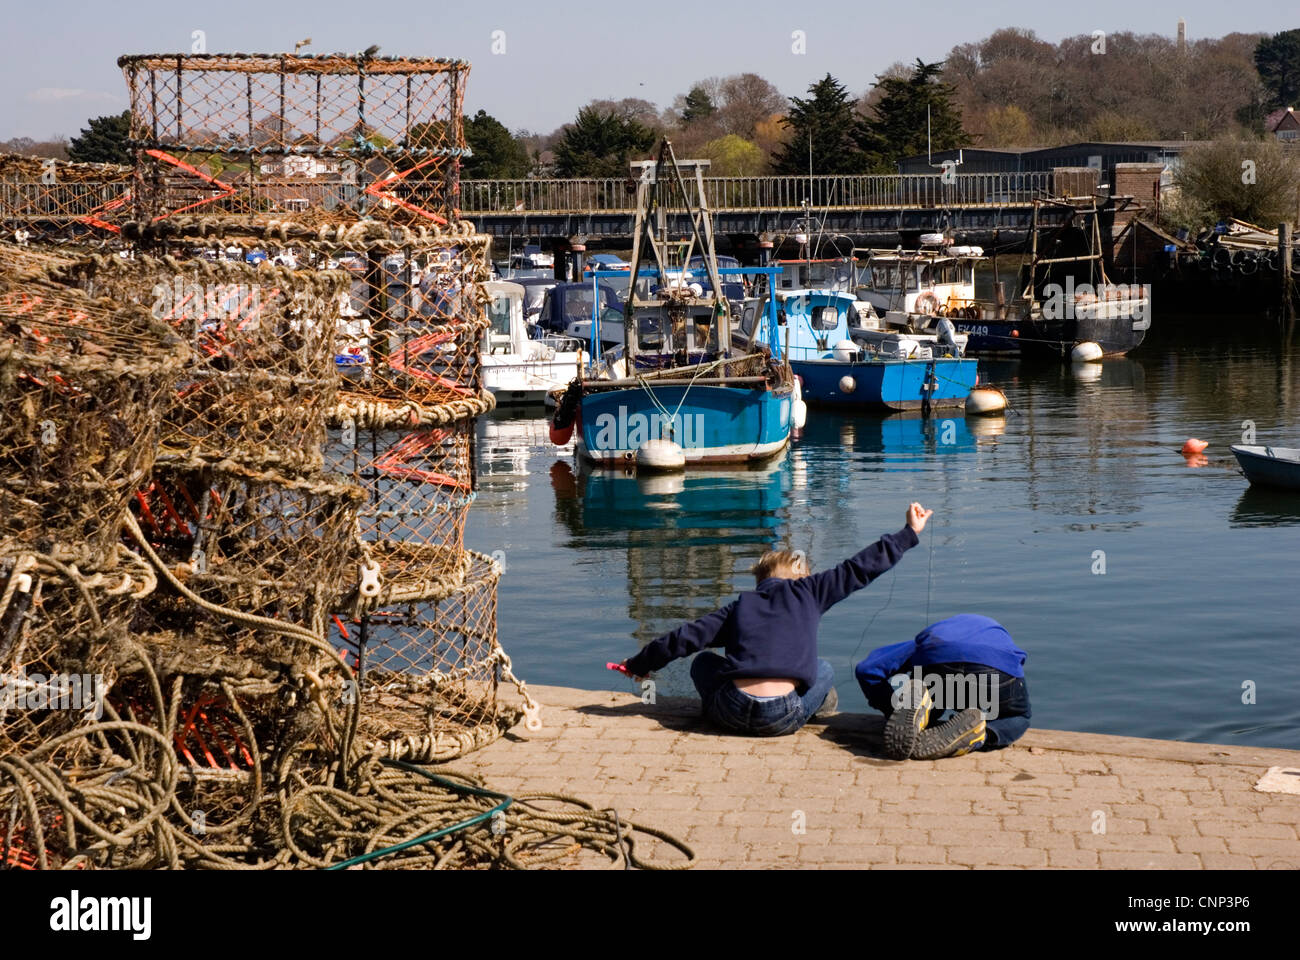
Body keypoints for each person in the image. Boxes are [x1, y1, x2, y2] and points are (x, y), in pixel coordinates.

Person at [619, 503, 932, 737]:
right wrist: (908, 533)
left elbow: (684, 637)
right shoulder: (812, 591)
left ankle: (714, 712)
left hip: (731, 710)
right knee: (822, 669)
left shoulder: (741, 605)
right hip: (781, 717)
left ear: (761, 582)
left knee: (701, 661)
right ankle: (818, 706)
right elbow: (859, 568)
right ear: (802, 576)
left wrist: (638, 664)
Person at [855, 614, 1031, 760]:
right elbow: (1016, 664)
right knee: (1019, 715)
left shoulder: (929, 641)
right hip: (994, 664)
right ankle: (981, 733)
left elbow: (867, 670)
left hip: (937, 661)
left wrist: (891, 709)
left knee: (934, 688)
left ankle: (920, 710)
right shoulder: (999, 641)